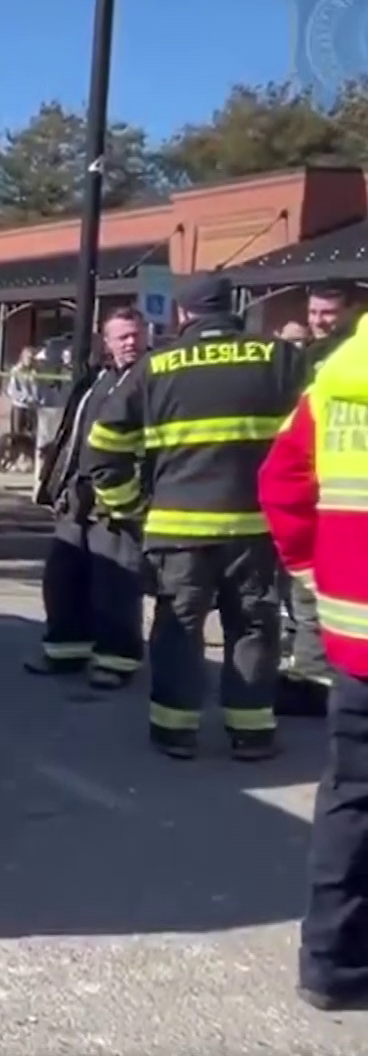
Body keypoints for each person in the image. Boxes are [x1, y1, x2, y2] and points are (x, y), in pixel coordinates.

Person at [86, 274, 302, 761]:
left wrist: (129, 509)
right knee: (252, 625)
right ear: (234, 308)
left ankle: (175, 731)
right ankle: (251, 732)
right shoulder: (280, 358)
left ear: (183, 314)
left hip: (177, 530)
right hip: (255, 529)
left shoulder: (155, 367)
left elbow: (103, 450)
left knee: (180, 626)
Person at [257, 322, 368, 1012]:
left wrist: (314, 573)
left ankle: (330, 963)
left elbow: (281, 481)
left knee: (353, 796)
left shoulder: (338, 376)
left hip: (356, 631)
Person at [25, 308, 147, 690]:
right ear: (106, 342)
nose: (130, 342)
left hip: (117, 498)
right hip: (76, 494)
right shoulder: (97, 380)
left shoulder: (154, 379)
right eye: (121, 336)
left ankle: (115, 660)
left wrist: (133, 498)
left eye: (135, 334)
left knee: (115, 581)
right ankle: (66, 650)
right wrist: (54, 484)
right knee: (63, 575)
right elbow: (71, 435)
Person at [282, 285, 360, 708]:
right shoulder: (312, 354)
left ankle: (314, 678)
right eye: (313, 311)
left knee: (314, 592)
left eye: (328, 312)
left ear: (351, 309)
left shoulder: (337, 357)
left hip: (328, 491)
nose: (319, 319)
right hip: (323, 486)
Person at [4, 345, 40, 470]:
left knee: (30, 435)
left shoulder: (34, 372)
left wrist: (35, 399)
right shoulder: (16, 371)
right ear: (23, 357)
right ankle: (14, 460)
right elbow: (11, 390)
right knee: (17, 434)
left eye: (32, 358)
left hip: (31, 407)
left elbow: (37, 389)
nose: (30, 360)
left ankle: (27, 459)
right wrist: (24, 398)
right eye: (28, 357)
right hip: (19, 406)